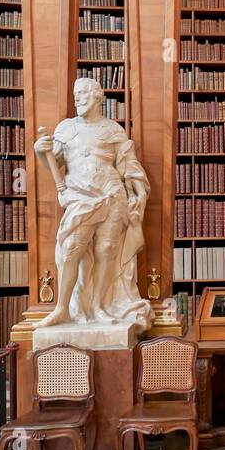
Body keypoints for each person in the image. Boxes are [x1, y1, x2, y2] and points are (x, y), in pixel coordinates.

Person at [33, 77, 152, 330]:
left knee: (106, 251)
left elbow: (128, 164)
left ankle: (99, 306)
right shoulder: (66, 129)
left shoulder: (112, 130)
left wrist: (138, 191)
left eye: (83, 93)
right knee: (71, 250)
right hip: (79, 197)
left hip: (111, 196)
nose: (77, 98)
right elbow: (54, 162)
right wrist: (39, 150)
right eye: (75, 93)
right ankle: (62, 309)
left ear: (98, 96)